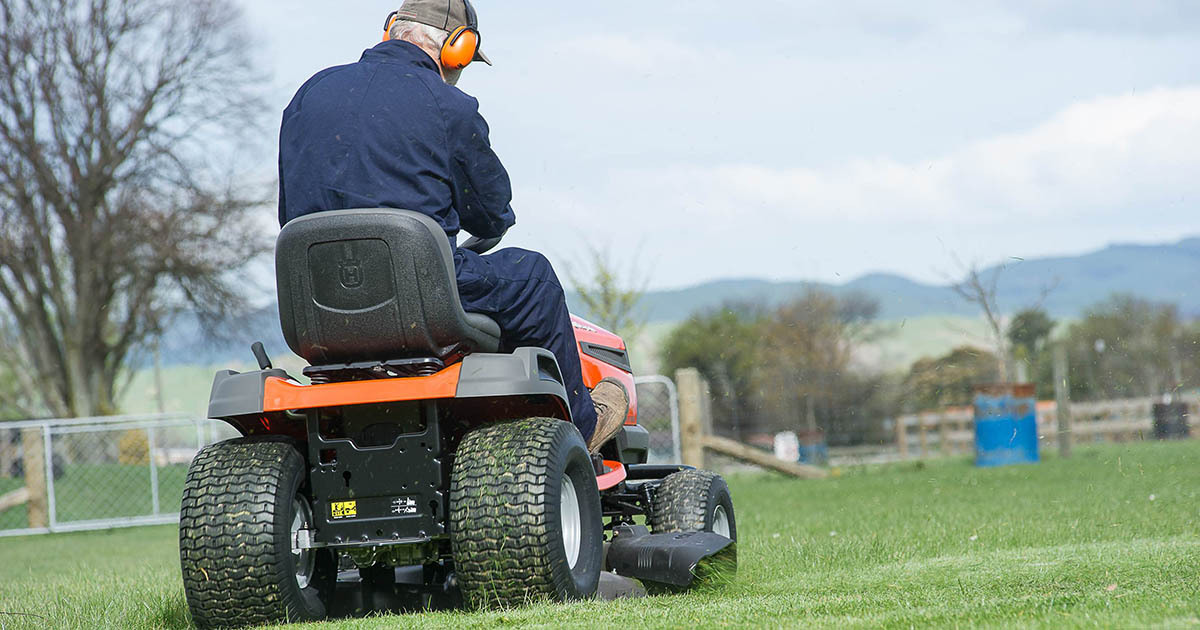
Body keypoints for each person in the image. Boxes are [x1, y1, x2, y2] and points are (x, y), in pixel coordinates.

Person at [277, 0, 628, 453]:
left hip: (319, 304)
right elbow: (491, 211)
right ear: (458, 49)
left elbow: (291, 214)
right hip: (419, 297)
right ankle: (580, 433)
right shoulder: (449, 106)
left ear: (391, 29)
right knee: (532, 276)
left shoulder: (308, 94)